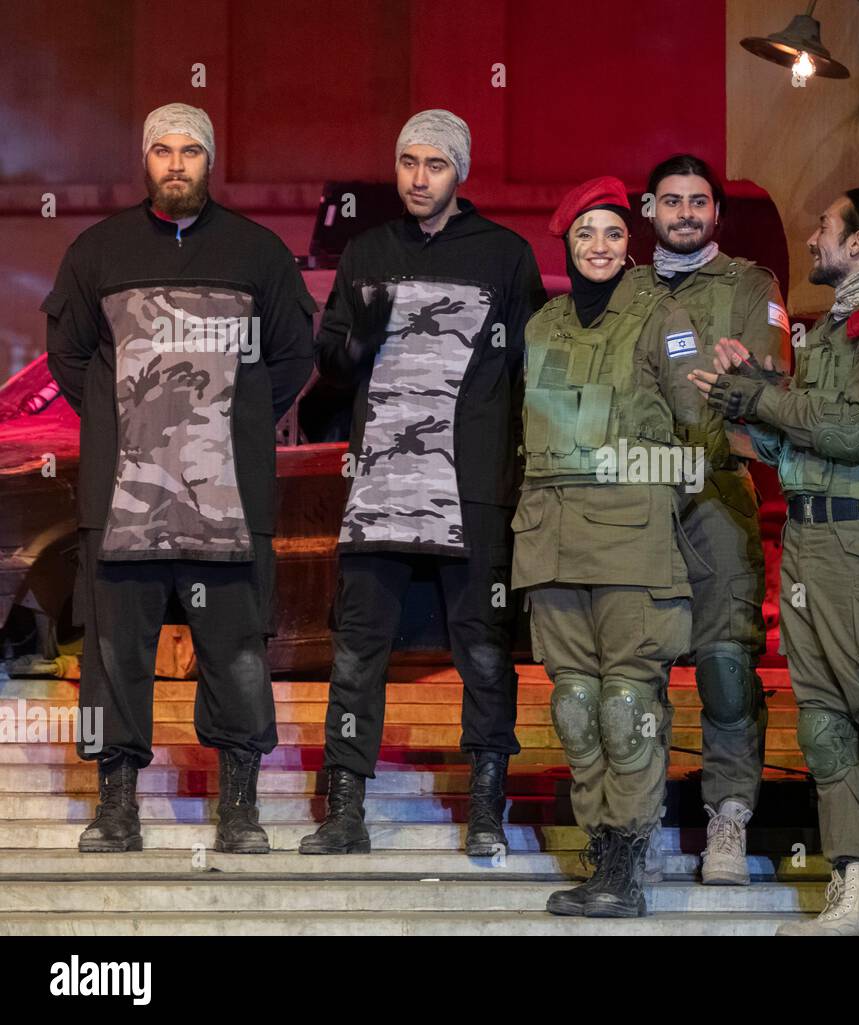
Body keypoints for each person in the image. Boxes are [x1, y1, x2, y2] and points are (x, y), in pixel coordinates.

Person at [44, 103, 315, 853]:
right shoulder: (98, 249)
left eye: (190, 151)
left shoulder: (258, 253)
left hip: (228, 505)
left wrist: (236, 424)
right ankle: (116, 808)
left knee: (237, 657)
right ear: (145, 159)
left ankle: (239, 809)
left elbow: (293, 356)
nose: (174, 163)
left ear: (209, 160)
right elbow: (69, 356)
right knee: (110, 659)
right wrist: (122, 421)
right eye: (161, 150)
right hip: (121, 505)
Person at [690, 188, 859, 935]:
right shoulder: (835, 333)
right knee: (824, 723)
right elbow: (795, 444)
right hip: (810, 540)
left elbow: (856, 431)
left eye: (825, 229)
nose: (812, 240)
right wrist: (743, 397)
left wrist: (766, 399)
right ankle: (857, 882)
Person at [301, 110, 545, 857]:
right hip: (381, 489)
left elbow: (535, 374)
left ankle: (485, 808)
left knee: (481, 651)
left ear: (458, 171)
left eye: (434, 164)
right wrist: (355, 345)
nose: (417, 177)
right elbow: (332, 368)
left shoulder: (504, 255)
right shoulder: (367, 250)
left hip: (471, 490)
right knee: (357, 651)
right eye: (407, 161)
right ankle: (345, 807)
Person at [516, 176, 727, 918]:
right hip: (550, 542)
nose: (600, 247)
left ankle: (628, 864)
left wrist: (650, 478)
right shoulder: (542, 324)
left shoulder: (662, 317)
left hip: (634, 544)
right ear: (566, 244)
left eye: (611, 233)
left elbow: (702, 430)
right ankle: (601, 851)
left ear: (627, 242)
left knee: (625, 705)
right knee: (575, 705)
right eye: (585, 235)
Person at [627, 154, 791, 884]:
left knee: (725, 663)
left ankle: (727, 819)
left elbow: (778, 381)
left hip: (716, 490)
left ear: (716, 214)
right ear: (648, 208)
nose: (686, 213)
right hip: (632, 497)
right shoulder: (624, 286)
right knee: (636, 669)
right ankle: (639, 822)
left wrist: (746, 378)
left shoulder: (752, 284)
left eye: (699, 201)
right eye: (672, 200)